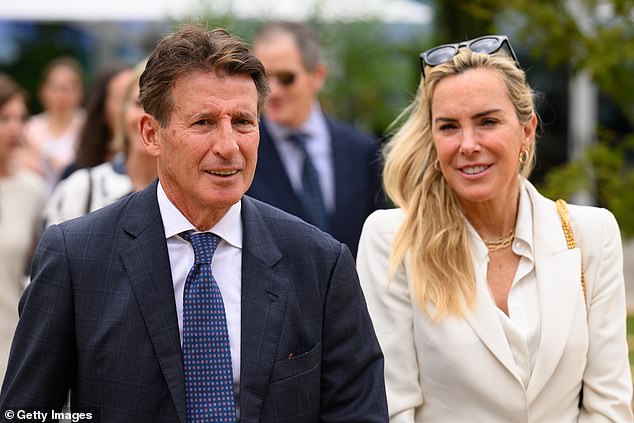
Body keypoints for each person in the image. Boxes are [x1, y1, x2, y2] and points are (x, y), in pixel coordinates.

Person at [0, 25, 388, 423]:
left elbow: (358, 412)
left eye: (243, 121)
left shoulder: (319, 263)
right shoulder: (77, 258)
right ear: (151, 134)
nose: (228, 146)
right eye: (204, 122)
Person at [356, 35, 633, 422]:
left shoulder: (592, 234)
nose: (468, 144)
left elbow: (610, 406)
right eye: (449, 127)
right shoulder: (392, 240)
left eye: (487, 121)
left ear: (527, 131)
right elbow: (391, 407)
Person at [248, 21, 386, 257]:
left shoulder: (362, 150)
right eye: (263, 78)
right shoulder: (242, 152)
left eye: (286, 77)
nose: (273, 91)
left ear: (318, 75)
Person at [44, 60, 156, 226]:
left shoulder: (189, 196)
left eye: (159, 108)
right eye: (138, 104)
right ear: (123, 111)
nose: (146, 118)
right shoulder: (81, 189)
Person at [0, 74, 47, 384]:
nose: (16, 128)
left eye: (21, 119)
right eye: (5, 118)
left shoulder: (33, 190)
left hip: (11, 345)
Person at [58, 63, 134, 181]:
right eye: (123, 99)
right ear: (102, 107)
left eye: (141, 100)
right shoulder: (77, 177)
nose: (134, 111)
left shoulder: (159, 176)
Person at [20, 56, 85, 193]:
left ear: (80, 92)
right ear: (42, 91)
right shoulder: (28, 128)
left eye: (67, 88)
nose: (61, 96)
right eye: (55, 88)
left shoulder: (88, 126)